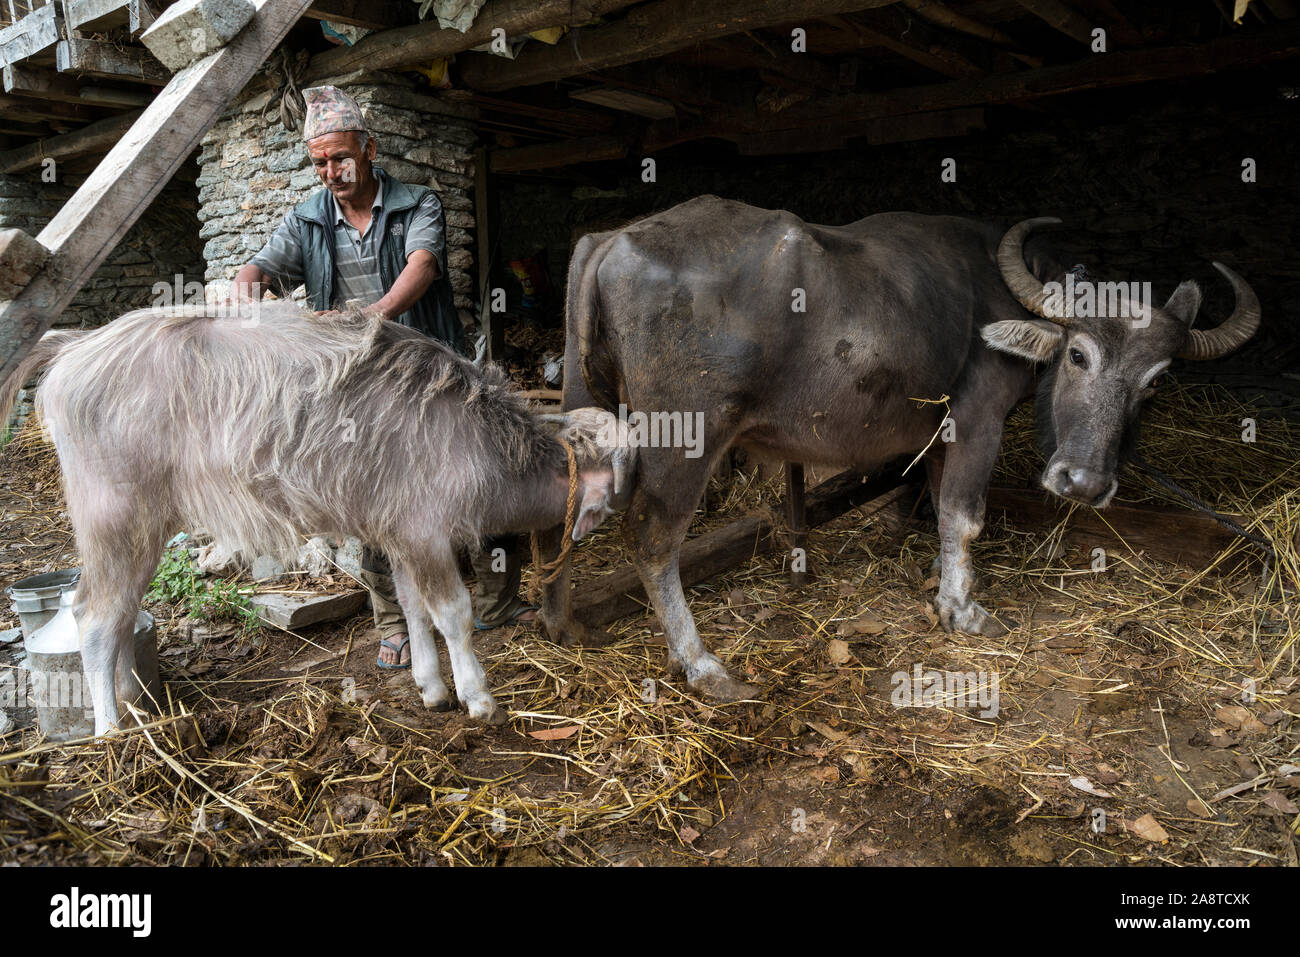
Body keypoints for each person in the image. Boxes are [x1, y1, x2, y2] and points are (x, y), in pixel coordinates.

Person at [230, 85, 535, 669]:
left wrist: (368, 319)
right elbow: (261, 266)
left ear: (368, 149)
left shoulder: (418, 204)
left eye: (340, 157)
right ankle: (395, 623)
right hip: (358, 385)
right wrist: (248, 299)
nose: (331, 171)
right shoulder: (309, 218)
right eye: (319, 162)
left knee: (481, 473)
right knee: (373, 496)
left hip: (431, 372)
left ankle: (496, 601)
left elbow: (421, 266)